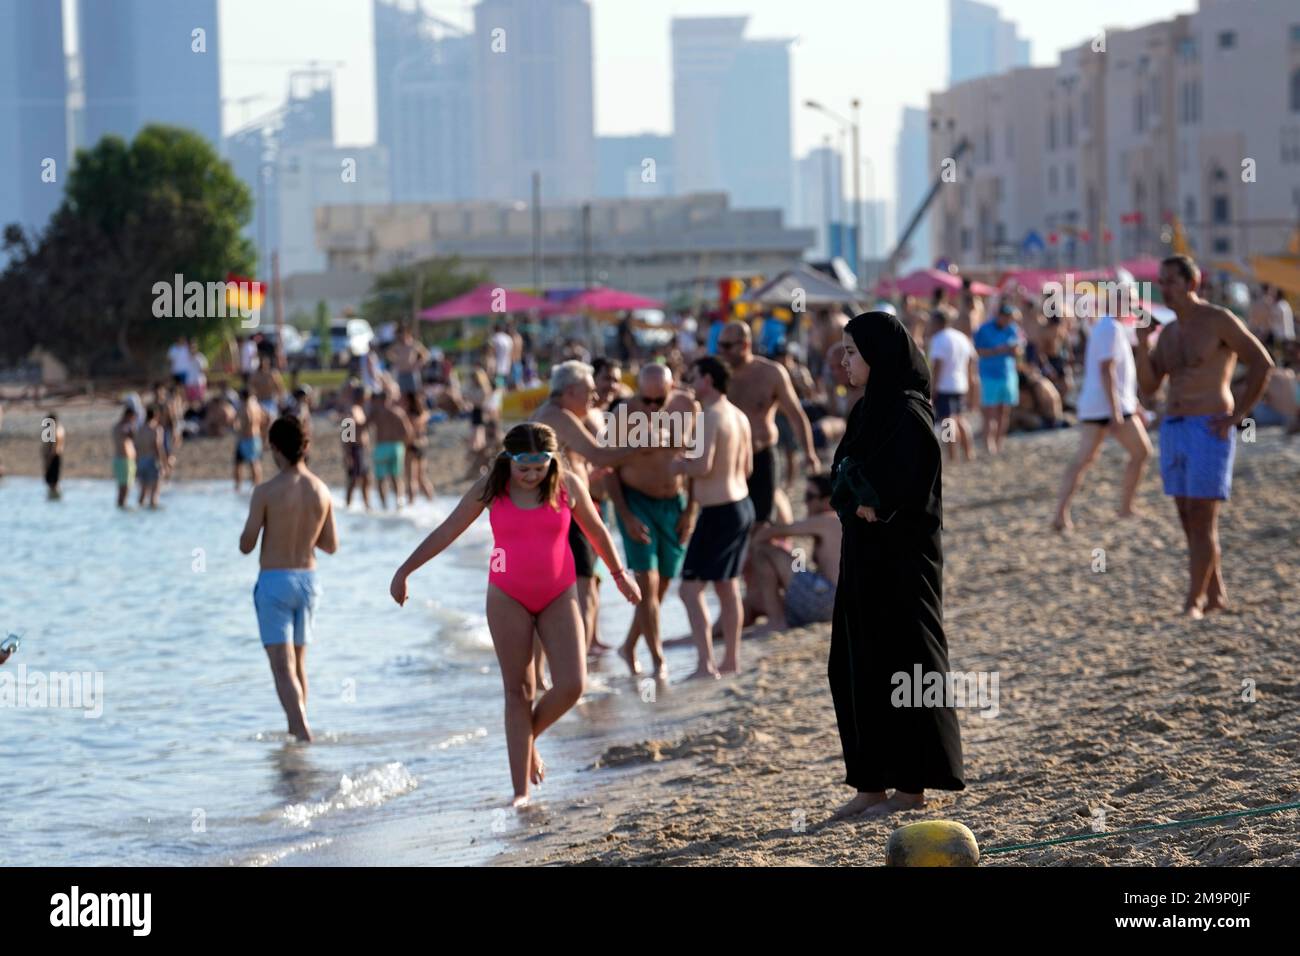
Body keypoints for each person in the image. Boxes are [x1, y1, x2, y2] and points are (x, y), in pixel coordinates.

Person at [389, 423, 640, 806]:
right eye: (524, 467)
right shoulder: (493, 486)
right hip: (507, 596)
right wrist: (405, 570)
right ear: (508, 460)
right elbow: (449, 529)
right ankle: (520, 793)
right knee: (518, 691)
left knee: (573, 684)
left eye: (540, 467)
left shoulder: (567, 485)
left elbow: (597, 532)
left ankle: (528, 738)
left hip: (559, 592)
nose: (532, 475)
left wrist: (620, 576)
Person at [827, 311, 964, 821]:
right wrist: (857, 499)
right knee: (853, 663)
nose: (844, 361)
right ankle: (869, 785)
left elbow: (902, 490)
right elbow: (841, 476)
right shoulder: (866, 410)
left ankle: (910, 788)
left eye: (853, 352)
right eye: (843, 351)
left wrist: (872, 502)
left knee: (906, 666)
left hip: (904, 564)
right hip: (863, 556)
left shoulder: (908, 411)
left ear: (879, 357)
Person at [1134, 255, 1273, 618]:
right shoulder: (1169, 332)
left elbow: (1262, 362)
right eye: (1161, 282)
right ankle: (1215, 595)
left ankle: (1192, 601)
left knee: (1202, 516)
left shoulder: (1217, 320)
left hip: (1208, 425)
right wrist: (1141, 345)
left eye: (1171, 281)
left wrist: (1240, 414)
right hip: (1175, 427)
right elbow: (1150, 387)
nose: (1164, 288)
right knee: (1185, 516)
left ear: (1191, 284)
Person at [239, 417, 338, 743]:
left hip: (275, 581)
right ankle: (298, 732)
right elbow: (330, 545)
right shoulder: (321, 490)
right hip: (309, 581)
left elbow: (247, 544)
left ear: (274, 448)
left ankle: (300, 730)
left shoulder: (265, 492)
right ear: (305, 447)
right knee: (299, 666)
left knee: (282, 669)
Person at [532, 361, 632, 655]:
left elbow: (561, 469)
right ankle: (579, 669)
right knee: (584, 590)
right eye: (589, 391)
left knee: (580, 589)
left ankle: (577, 657)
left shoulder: (555, 414)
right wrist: (648, 444)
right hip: (566, 514)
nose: (593, 398)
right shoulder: (557, 416)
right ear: (571, 390)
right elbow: (598, 453)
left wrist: (587, 477)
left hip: (567, 508)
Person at [607, 364, 699, 678]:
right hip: (636, 501)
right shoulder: (622, 414)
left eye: (658, 402)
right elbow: (609, 471)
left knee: (661, 588)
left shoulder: (688, 407)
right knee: (647, 584)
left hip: (674, 503)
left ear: (672, 390)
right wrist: (626, 515)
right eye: (645, 400)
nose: (650, 408)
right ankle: (658, 661)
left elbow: (694, 463)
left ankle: (629, 645)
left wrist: (691, 511)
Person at [672, 356, 753, 678]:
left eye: (693, 377)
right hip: (741, 505)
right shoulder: (738, 415)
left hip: (719, 510)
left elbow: (702, 467)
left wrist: (680, 464)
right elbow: (747, 467)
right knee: (727, 586)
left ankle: (706, 665)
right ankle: (731, 661)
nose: (690, 385)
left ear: (707, 380)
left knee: (689, 590)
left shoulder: (708, 416)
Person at [1052, 292, 1152, 531]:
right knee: (1141, 452)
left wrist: (1134, 404)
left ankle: (1061, 514)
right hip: (1107, 406)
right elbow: (1106, 370)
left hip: (1102, 404)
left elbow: (1117, 374)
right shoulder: (1110, 328)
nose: (1132, 306)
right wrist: (1117, 411)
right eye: (1129, 301)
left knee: (1084, 459)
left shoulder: (1108, 327)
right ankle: (1125, 507)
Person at [715, 321, 819, 526]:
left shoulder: (771, 373)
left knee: (761, 521)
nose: (722, 351)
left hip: (761, 455)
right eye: (720, 345)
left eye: (727, 346)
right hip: (728, 457)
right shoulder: (716, 375)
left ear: (745, 345)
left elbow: (795, 415)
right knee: (728, 521)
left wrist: (809, 453)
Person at [748, 473, 840, 631]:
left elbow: (773, 532)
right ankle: (695, 639)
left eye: (810, 496)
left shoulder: (827, 519)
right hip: (835, 604)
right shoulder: (840, 521)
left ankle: (776, 620)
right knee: (752, 601)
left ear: (827, 501)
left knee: (763, 550)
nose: (805, 502)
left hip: (826, 599)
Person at [926, 308, 977, 462]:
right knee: (960, 419)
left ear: (937, 322)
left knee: (947, 422)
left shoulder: (939, 339)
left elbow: (938, 366)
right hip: (960, 384)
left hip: (944, 385)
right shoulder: (961, 337)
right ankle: (969, 453)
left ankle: (952, 455)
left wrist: (932, 388)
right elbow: (971, 364)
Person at [973, 302, 1024, 454]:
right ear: (999, 316)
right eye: (1006, 317)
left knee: (1004, 411)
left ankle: (999, 442)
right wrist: (998, 350)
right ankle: (988, 443)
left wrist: (1016, 351)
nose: (1009, 320)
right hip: (989, 375)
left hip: (1008, 374)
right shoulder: (984, 329)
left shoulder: (1013, 329)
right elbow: (978, 351)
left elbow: (1019, 351)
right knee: (990, 412)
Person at [370, 388, 414, 509]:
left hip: (381, 446)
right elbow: (408, 432)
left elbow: (362, 424)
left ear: (380, 399)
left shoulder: (376, 413)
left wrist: (347, 433)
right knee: (396, 477)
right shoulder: (398, 412)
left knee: (381, 478)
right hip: (396, 446)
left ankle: (384, 506)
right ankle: (399, 503)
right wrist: (403, 444)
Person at [340, 383, 372, 509]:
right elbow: (346, 433)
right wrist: (347, 454)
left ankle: (366, 504)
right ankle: (348, 505)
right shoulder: (352, 410)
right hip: (354, 448)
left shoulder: (360, 409)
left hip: (361, 449)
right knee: (354, 479)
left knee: (366, 478)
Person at [403, 391, 435, 502]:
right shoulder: (424, 414)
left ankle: (411, 504)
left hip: (412, 445)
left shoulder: (408, 416)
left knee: (411, 479)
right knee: (422, 477)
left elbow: (409, 433)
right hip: (423, 444)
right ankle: (432, 501)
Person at [234, 388, 265, 491]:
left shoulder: (246, 406)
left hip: (247, 437)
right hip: (256, 436)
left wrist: (241, 431)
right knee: (253, 462)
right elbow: (265, 418)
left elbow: (249, 419)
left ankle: (240, 487)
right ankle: (256, 484)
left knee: (247, 463)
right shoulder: (256, 405)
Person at [135, 406, 164, 509]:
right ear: (156, 416)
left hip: (140, 461)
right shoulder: (156, 429)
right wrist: (162, 462)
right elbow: (157, 446)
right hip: (152, 460)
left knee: (142, 493)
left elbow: (136, 447)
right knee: (154, 494)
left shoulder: (140, 429)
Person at [249, 356, 286, 436]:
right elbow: (250, 389)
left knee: (270, 420)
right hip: (259, 401)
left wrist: (280, 400)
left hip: (270, 401)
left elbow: (280, 388)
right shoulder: (255, 375)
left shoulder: (273, 374)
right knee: (261, 422)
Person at [389, 327, 430, 396]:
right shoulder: (397, 346)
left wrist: (418, 364)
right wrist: (396, 361)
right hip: (401, 373)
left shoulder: (413, 344)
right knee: (403, 394)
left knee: (415, 394)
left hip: (412, 373)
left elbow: (426, 354)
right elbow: (389, 354)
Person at [111, 406, 137, 509]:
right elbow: (133, 436)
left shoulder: (119, 427)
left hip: (122, 460)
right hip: (124, 460)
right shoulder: (123, 427)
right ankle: (123, 507)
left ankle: (122, 507)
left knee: (123, 489)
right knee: (124, 489)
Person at [42, 411, 65, 500]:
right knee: (54, 482)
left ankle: (53, 498)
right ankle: (56, 498)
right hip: (57, 456)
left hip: (54, 457)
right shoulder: (60, 429)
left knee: (52, 482)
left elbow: (52, 447)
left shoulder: (54, 430)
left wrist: (48, 461)